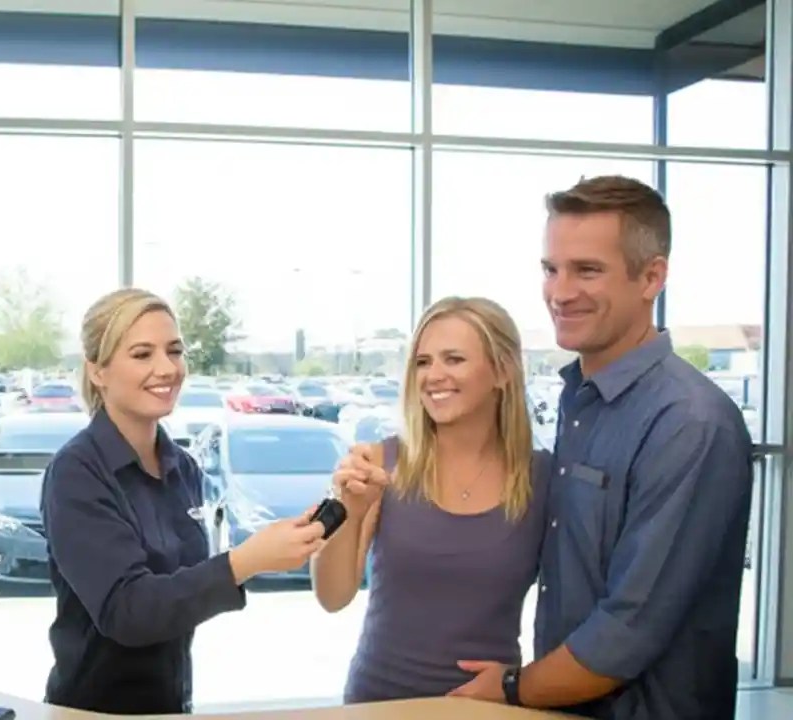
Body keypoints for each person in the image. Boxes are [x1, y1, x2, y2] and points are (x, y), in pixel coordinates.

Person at [449, 175, 754, 719]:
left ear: (652, 277)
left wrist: (513, 687)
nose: (560, 292)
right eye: (551, 269)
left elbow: (628, 631)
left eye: (587, 270)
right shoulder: (580, 400)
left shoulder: (689, 423)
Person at [39, 287, 328, 715]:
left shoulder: (183, 468)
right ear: (97, 371)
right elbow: (127, 611)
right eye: (142, 354)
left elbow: (181, 592)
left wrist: (275, 546)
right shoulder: (76, 473)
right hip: (91, 711)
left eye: (174, 351)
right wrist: (246, 561)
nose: (167, 368)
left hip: (170, 705)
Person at [312, 295, 552, 702]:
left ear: (503, 370)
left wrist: (523, 682)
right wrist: (347, 511)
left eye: (453, 359)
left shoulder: (543, 479)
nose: (433, 376)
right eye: (423, 362)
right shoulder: (379, 463)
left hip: (487, 708)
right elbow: (332, 597)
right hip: (380, 703)